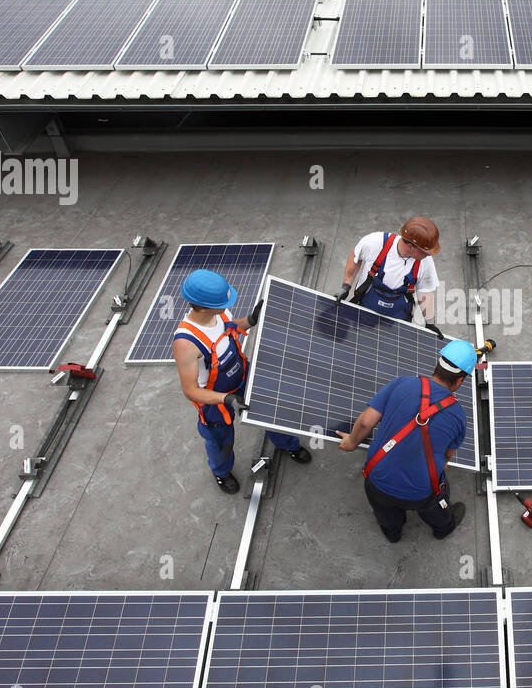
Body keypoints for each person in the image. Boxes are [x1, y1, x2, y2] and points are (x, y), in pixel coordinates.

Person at [172, 269, 310, 494]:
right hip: (215, 400)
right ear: (205, 306)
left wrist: (250, 320)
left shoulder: (218, 314)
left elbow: (229, 327)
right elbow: (191, 390)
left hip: (242, 376)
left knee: (271, 412)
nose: (226, 305)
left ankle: (287, 445)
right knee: (221, 442)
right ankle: (221, 472)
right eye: (222, 302)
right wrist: (226, 399)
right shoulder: (186, 343)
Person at [335, 340, 477, 543]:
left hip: (378, 480)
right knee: (436, 508)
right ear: (460, 381)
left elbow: (366, 422)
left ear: (437, 365)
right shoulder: (458, 415)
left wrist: (351, 441)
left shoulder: (401, 383)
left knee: (386, 514)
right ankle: (442, 529)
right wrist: (443, 461)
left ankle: (393, 533)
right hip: (421, 492)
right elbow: (448, 454)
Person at [333, 216, 445, 333]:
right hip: (366, 308)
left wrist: (430, 322)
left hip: (397, 319)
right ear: (411, 246)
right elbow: (356, 257)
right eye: (425, 252)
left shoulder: (425, 262)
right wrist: (346, 286)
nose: (428, 255)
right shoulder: (375, 243)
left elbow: (425, 291)